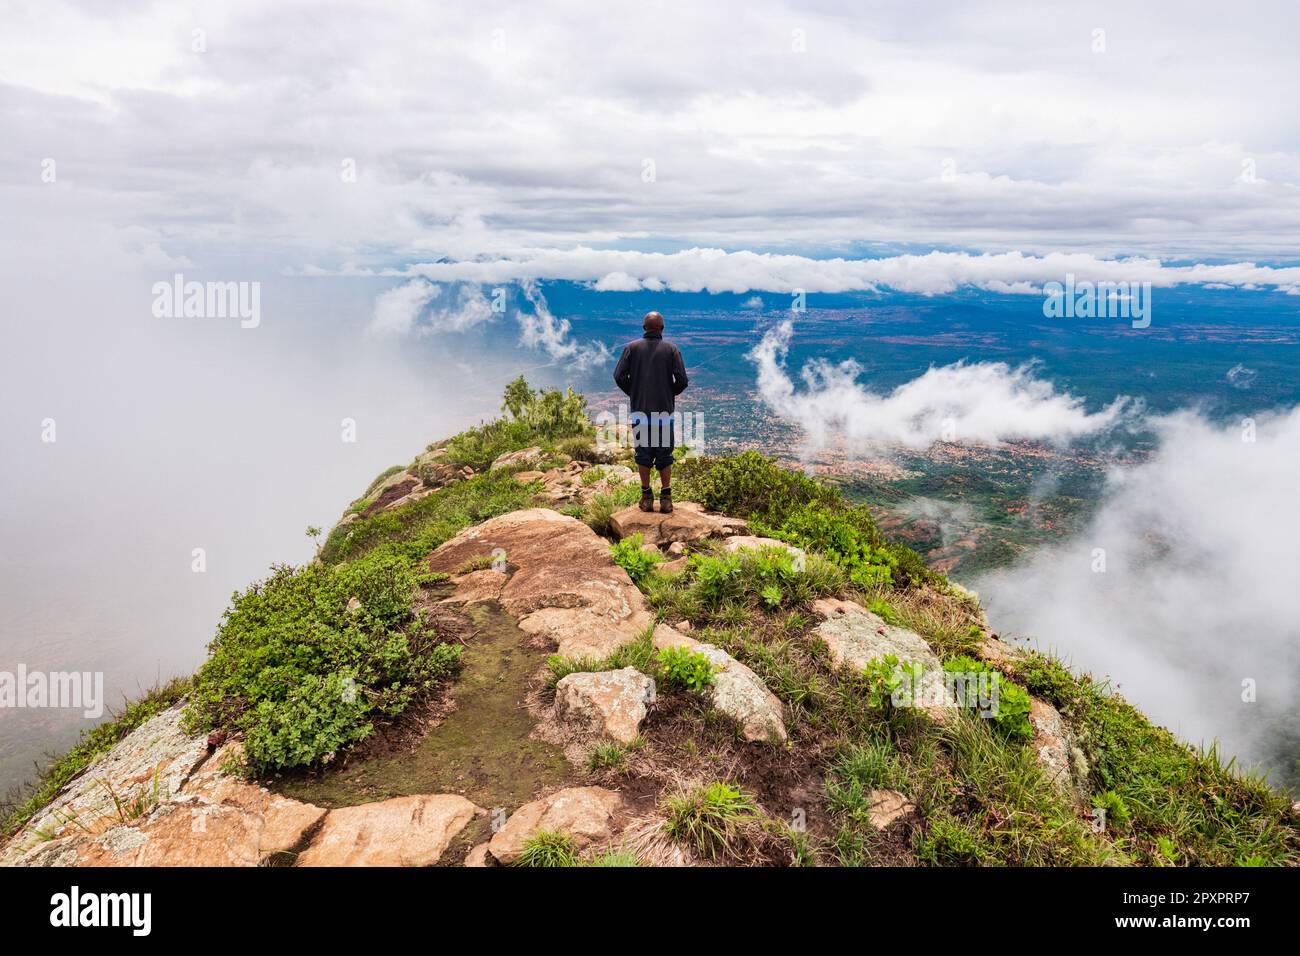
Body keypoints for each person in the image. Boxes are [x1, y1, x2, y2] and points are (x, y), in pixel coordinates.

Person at [613, 310, 688, 513]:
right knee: (665, 455)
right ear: (662, 329)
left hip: (640, 411)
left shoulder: (631, 348)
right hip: (664, 412)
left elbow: (619, 376)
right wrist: (669, 394)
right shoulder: (671, 350)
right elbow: (682, 380)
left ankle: (646, 497)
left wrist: (634, 392)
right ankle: (666, 499)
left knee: (643, 454)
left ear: (644, 328)